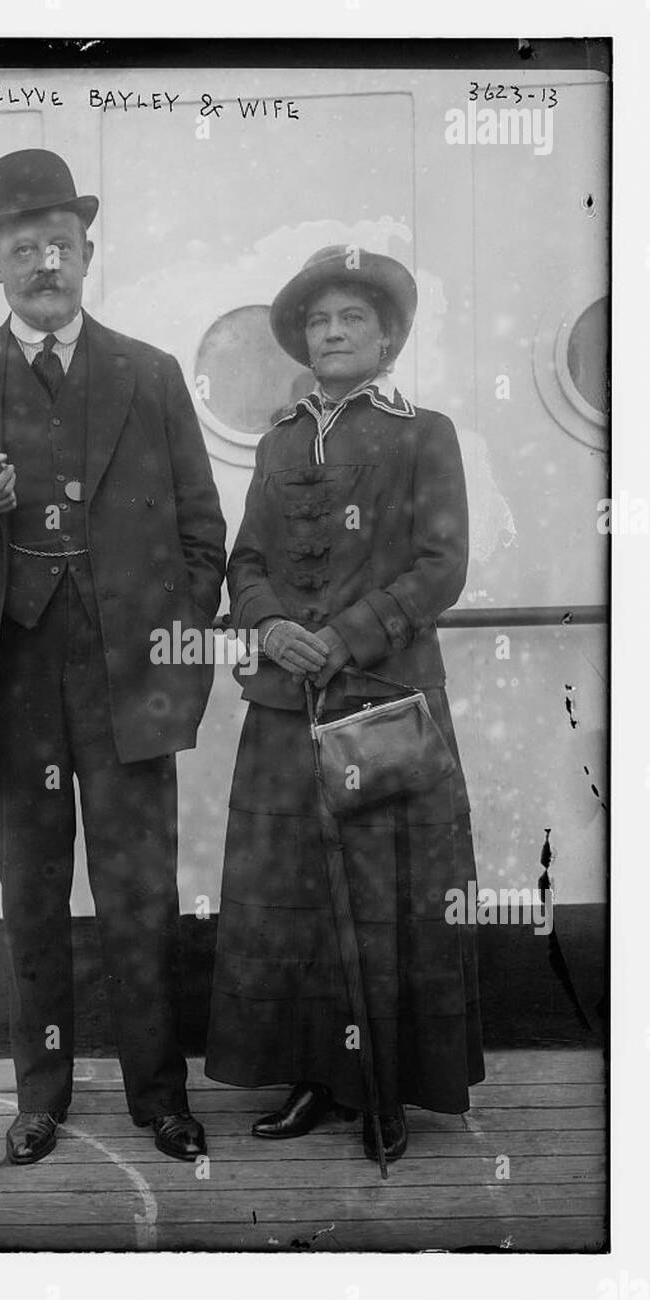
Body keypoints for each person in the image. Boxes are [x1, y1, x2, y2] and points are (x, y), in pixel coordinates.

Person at [0, 149, 226, 1165]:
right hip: (5, 681)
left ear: (86, 251)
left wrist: (169, 633)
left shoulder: (148, 375)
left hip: (128, 682)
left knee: (139, 895)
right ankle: (42, 1097)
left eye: (58, 244)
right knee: (31, 895)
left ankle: (161, 1096)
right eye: (21, 247)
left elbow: (203, 532)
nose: (43, 263)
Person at [205, 245, 483, 1163]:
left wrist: (347, 635)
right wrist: (272, 623)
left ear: (387, 338)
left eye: (350, 320)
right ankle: (315, 1081)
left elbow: (441, 566)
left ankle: (387, 1091)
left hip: (386, 703)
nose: (332, 333)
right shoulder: (280, 439)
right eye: (319, 322)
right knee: (296, 901)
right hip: (286, 706)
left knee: (387, 898)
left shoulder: (422, 433)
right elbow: (243, 563)